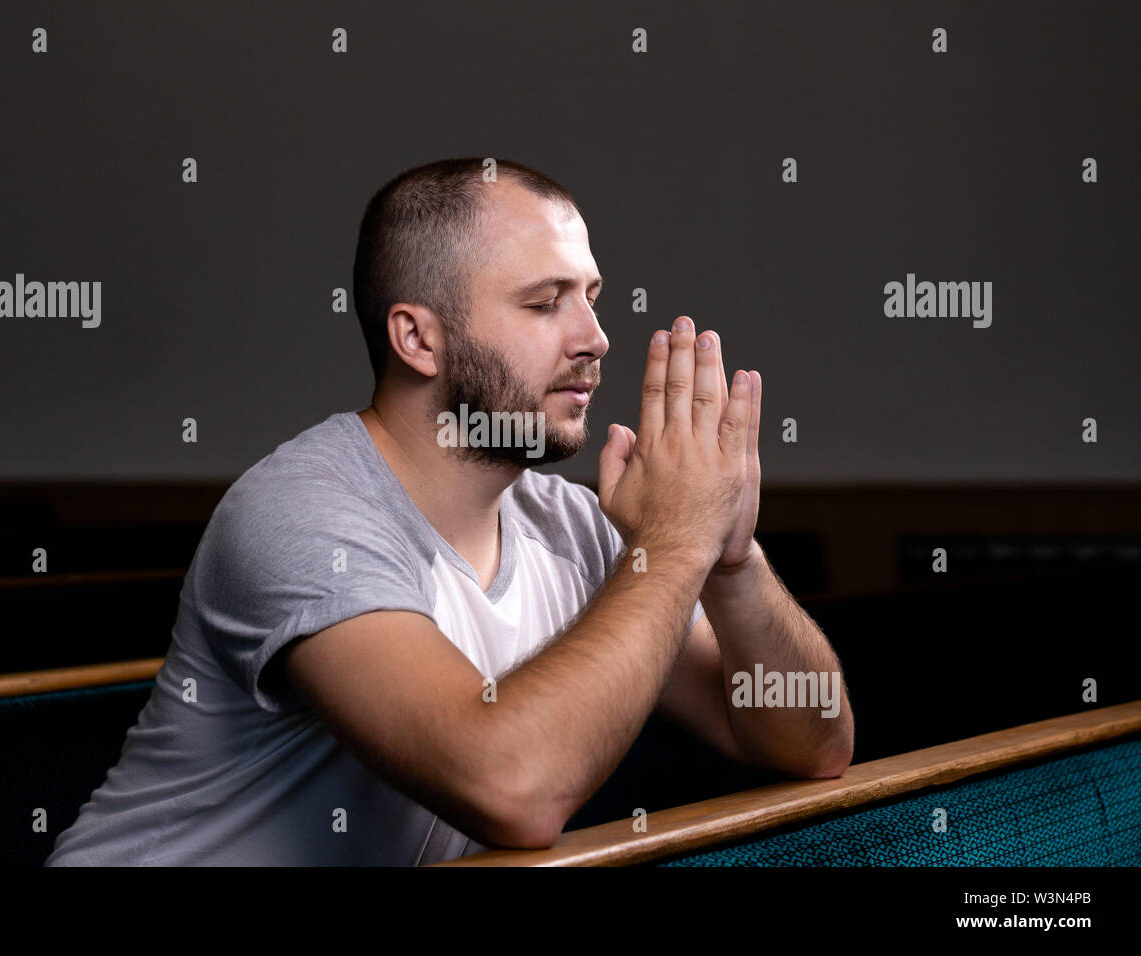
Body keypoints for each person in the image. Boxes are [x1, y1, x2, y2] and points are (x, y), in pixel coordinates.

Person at [45, 157, 854, 866]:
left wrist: (729, 557)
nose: (597, 337)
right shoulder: (301, 514)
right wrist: (678, 544)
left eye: (592, 297)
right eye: (545, 304)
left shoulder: (571, 524)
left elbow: (813, 742)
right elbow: (512, 788)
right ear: (417, 339)